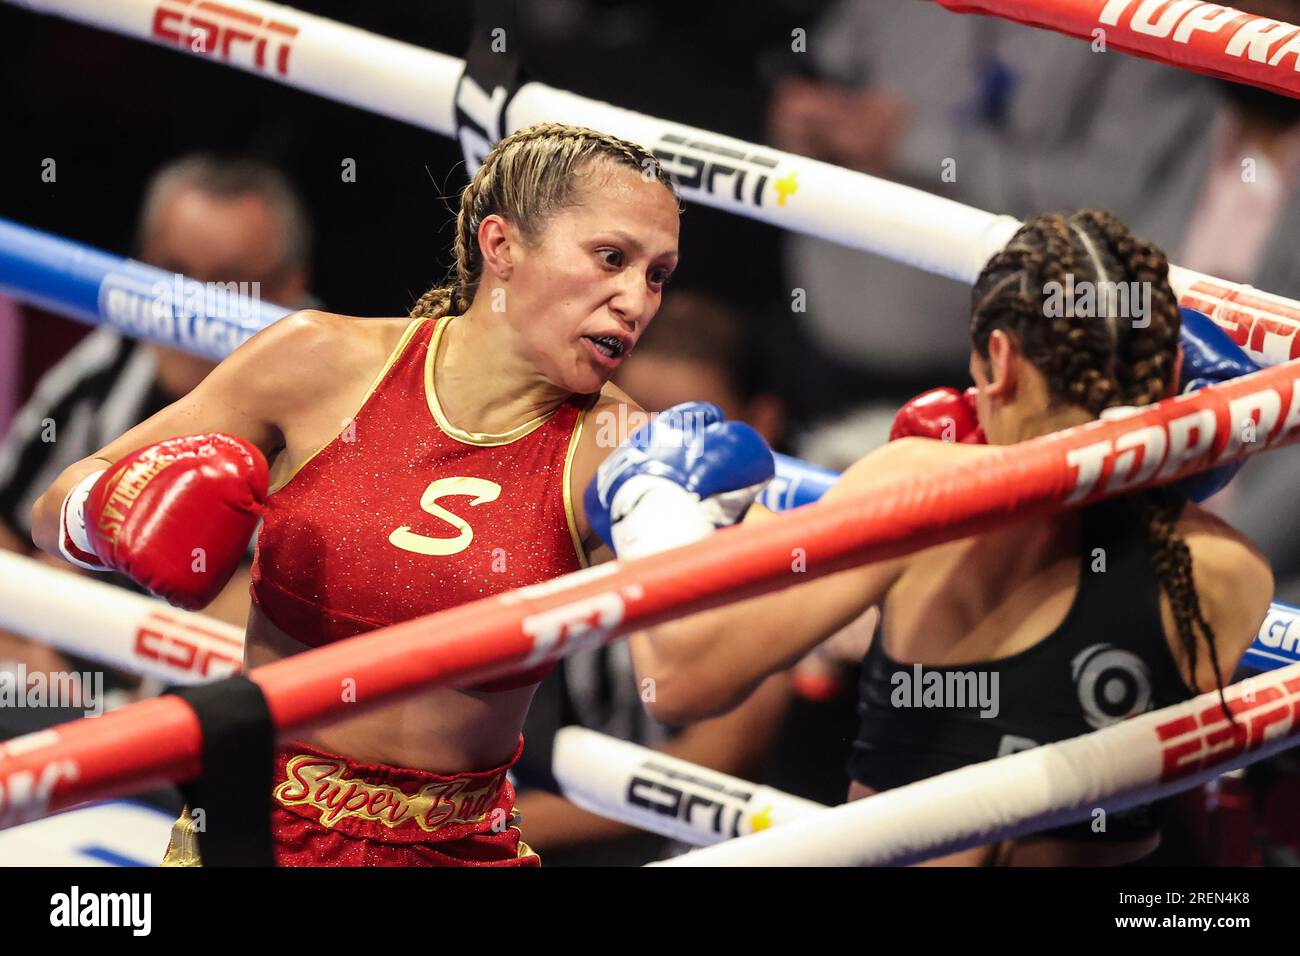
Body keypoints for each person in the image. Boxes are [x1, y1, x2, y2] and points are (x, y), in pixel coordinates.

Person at [28, 123, 752, 866]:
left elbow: (682, 683)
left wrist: (782, 560)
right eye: (611, 258)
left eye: (658, 274)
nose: (636, 300)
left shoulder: (622, 449)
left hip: (459, 851)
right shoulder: (319, 362)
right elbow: (54, 508)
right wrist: (112, 513)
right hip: (256, 834)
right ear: (501, 246)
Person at [592, 209, 1275, 866]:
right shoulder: (1231, 572)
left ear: (1002, 359)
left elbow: (678, 681)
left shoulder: (932, 490)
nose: (972, 399)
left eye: (977, 373)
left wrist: (658, 503)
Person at [0, 154, 313, 695]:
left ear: (288, 289)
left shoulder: (332, 394)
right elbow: (15, 518)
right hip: (66, 677)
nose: (187, 308)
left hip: (229, 718)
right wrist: (41, 646)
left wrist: (84, 624)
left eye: (228, 284)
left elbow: (274, 628)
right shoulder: (112, 358)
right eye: (170, 273)